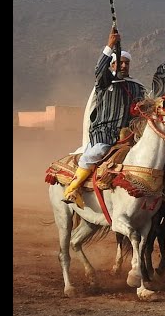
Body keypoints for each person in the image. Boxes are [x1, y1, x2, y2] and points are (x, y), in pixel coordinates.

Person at [61, 29, 147, 205]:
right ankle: (73, 188)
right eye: (120, 63)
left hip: (130, 136)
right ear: (113, 65)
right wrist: (110, 45)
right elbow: (99, 69)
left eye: (127, 63)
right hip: (105, 134)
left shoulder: (138, 87)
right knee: (95, 153)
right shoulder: (105, 82)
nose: (124, 66)